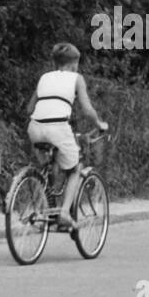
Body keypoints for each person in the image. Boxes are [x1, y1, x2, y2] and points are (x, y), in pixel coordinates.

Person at [25, 43, 108, 230]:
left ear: (55, 63)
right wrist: (99, 124)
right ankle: (63, 213)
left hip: (35, 127)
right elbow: (87, 110)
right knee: (74, 169)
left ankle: (44, 208)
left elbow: (29, 109)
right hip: (58, 127)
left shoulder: (44, 77)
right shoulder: (76, 78)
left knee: (49, 166)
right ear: (74, 64)